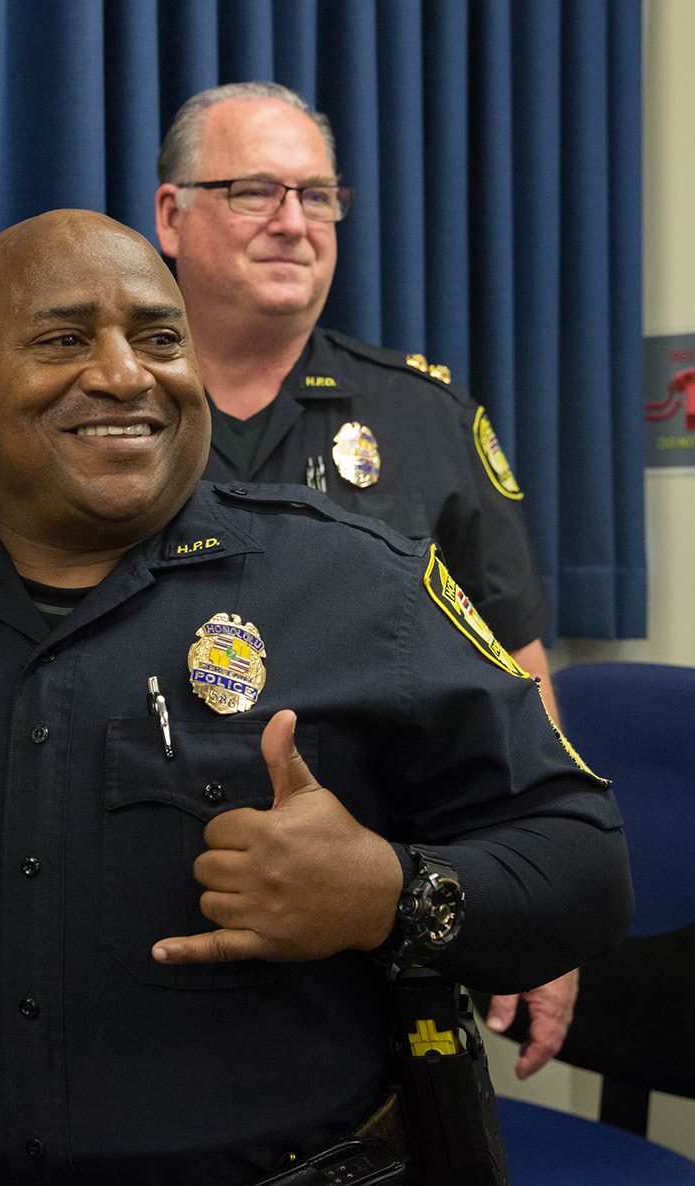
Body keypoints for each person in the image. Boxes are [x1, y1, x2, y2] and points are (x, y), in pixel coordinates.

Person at [0, 209, 631, 1185]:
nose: (125, 373)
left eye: (160, 339)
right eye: (64, 339)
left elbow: (584, 862)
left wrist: (387, 893)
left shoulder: (354, 581)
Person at [153, 81, 576, 1077]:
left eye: (319, 195)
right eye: (256, 190)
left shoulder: (423, 422)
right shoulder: (103, 411)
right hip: (144, 927)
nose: (295, 223)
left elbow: (515, 669)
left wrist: (540, 891)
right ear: (172, 216)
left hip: (379, 940)